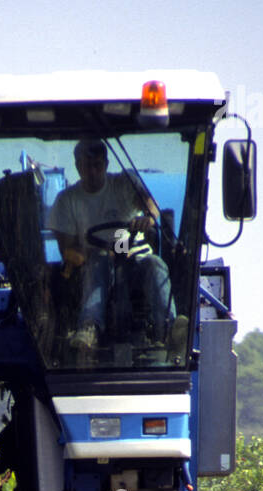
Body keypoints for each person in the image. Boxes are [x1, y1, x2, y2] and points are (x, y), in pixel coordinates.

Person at [49, 138, 174, 351]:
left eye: (98, 165)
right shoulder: (66, 200)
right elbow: (67, 249)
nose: (93, 171)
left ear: (106, 165)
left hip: (134, 258)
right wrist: (99, 251)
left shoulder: (124, 183)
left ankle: (170, 330)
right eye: (87, 166)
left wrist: (149, 218)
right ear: (78, 166)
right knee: (100, 260)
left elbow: (151, 205)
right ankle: (89, 327)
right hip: (94, 263)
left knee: (155, 264)